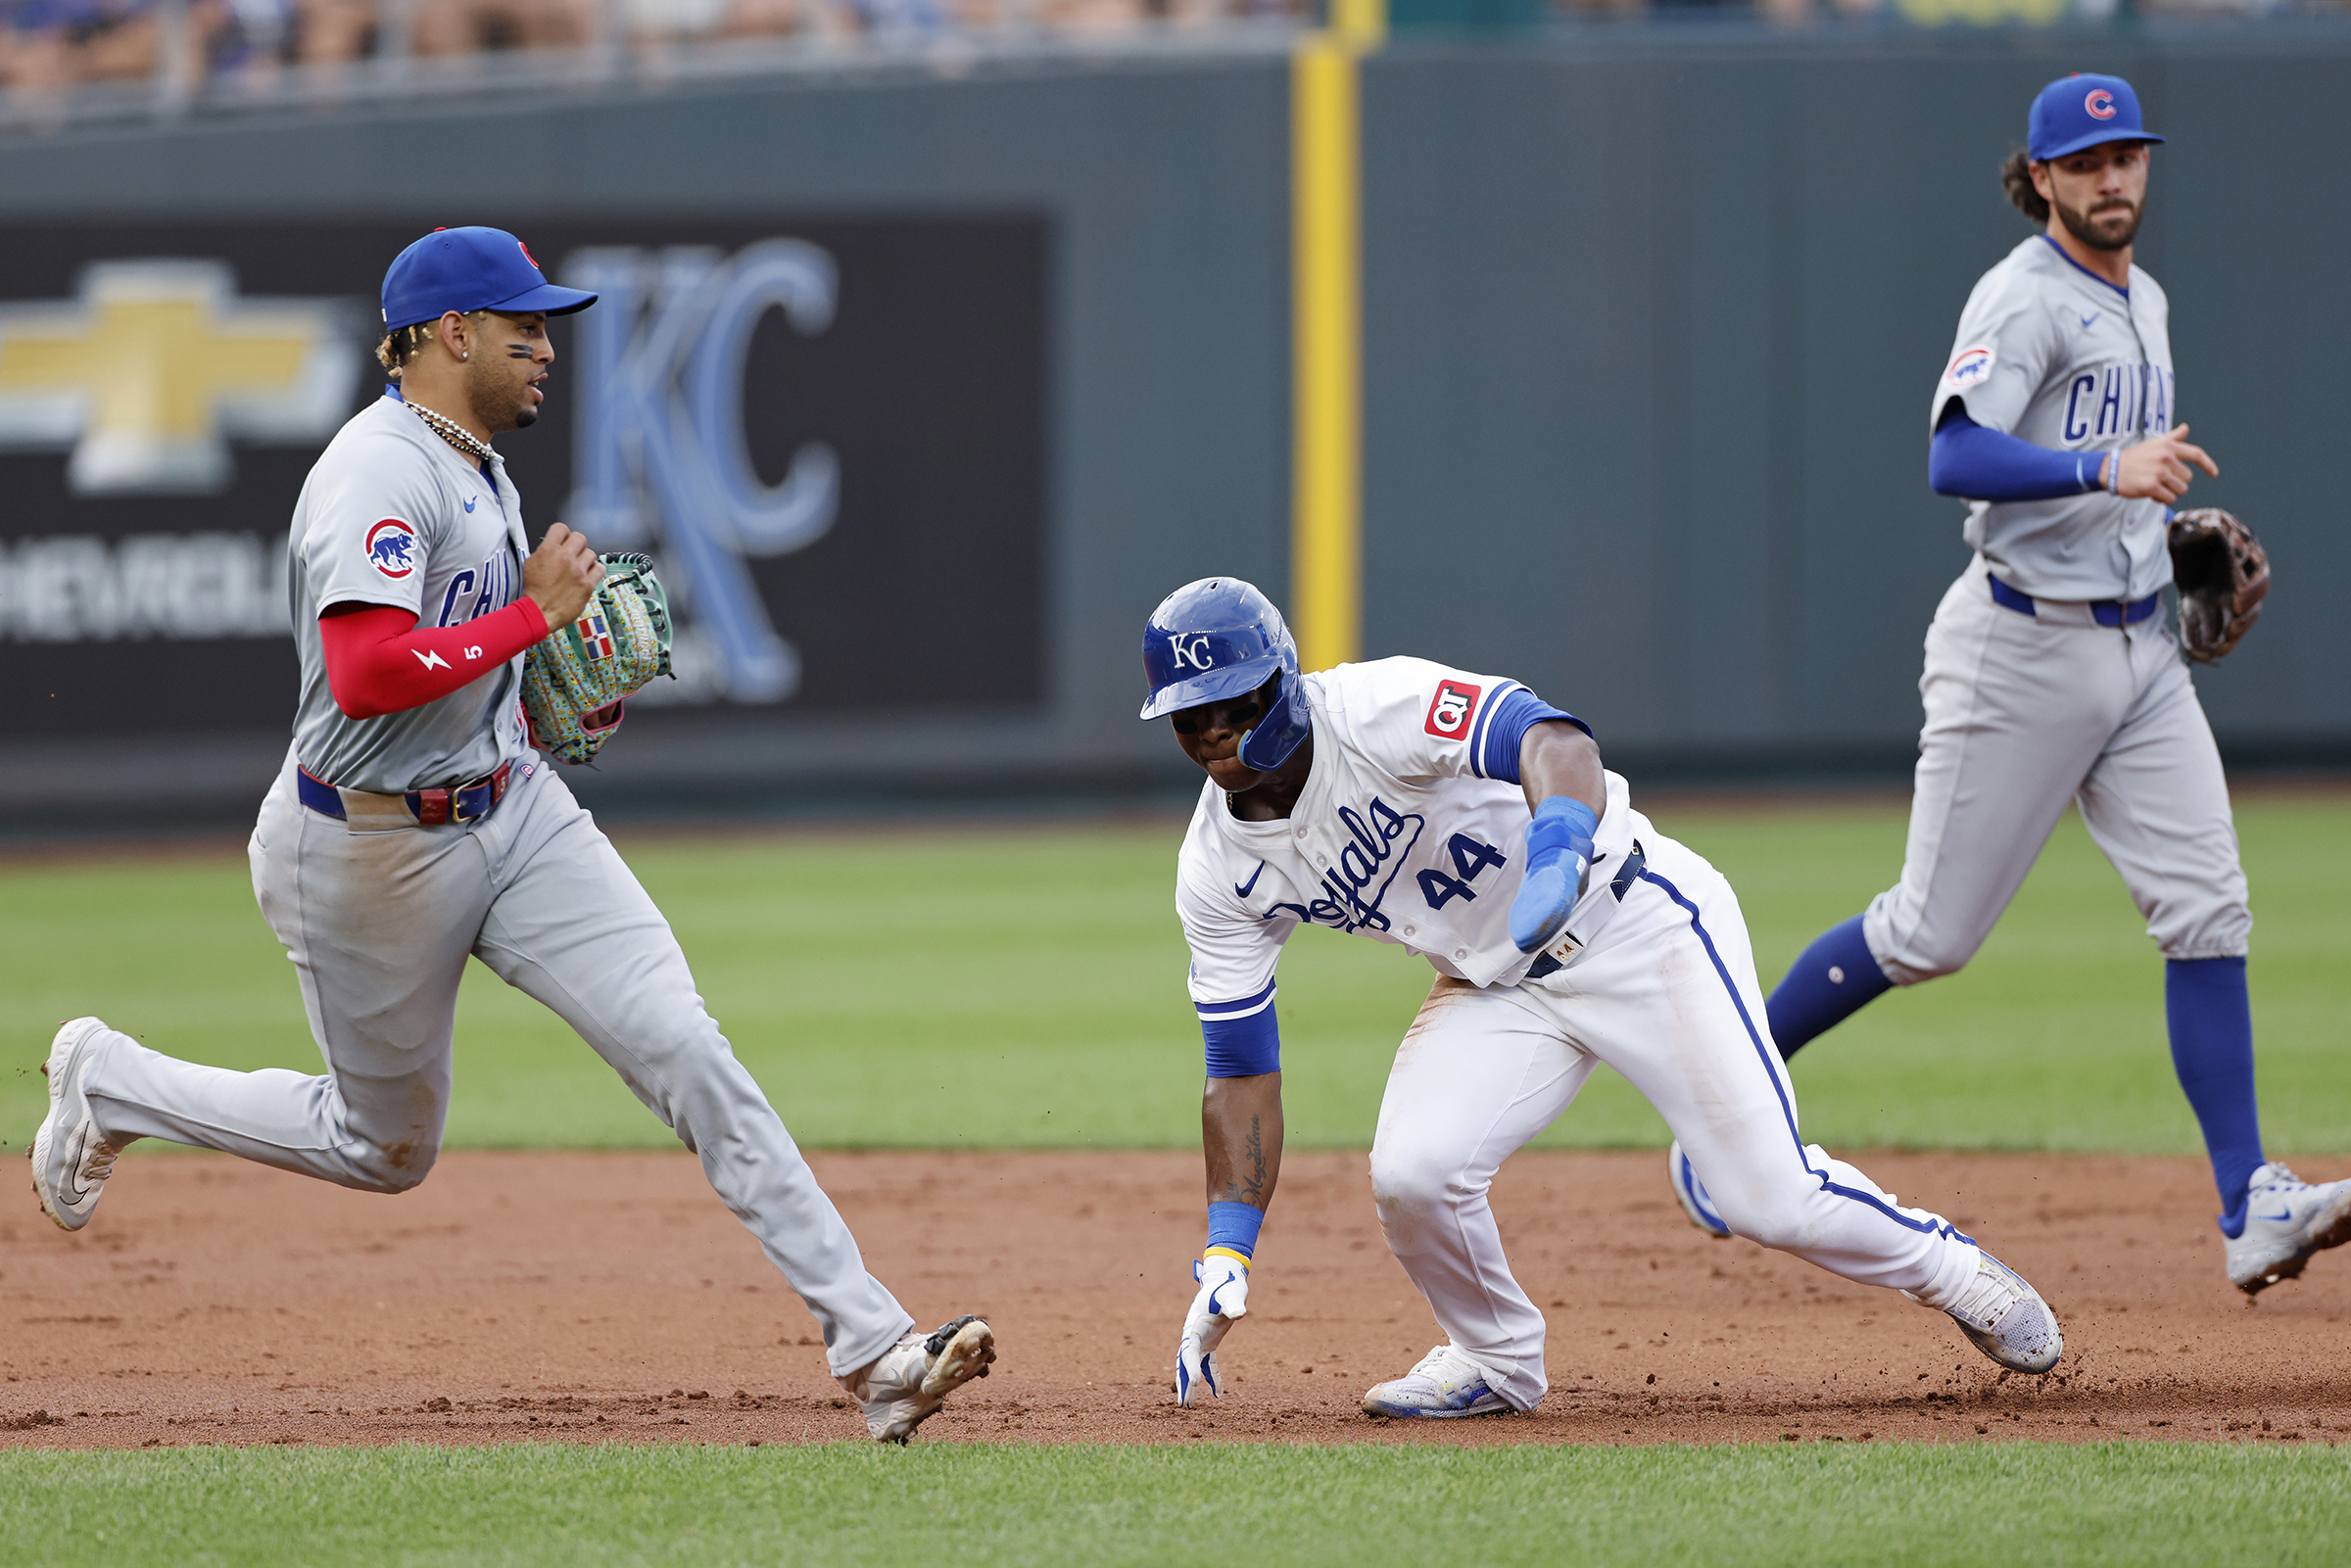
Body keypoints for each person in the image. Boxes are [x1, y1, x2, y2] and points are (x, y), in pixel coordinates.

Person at [25, 225, 992, 1443]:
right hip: (366, 845)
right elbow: (369, 669)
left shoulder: (473, 456)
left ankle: (879, 1354)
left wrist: (537, 672)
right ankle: (112, 1078)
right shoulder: (377, 470)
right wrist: (529, 617)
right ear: (449, 334)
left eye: (548, 324)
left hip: (513, 802)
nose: (547, 346)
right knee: (381, 1147)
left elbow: (463, 658)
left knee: (685, 1046)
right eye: (524, 324)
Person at [1665, 73, 2351, 1300]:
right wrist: (2105, 462)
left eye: (2127, 156)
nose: (2112, 179)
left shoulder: (2145, 297)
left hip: (2139, 651)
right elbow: (1956, 452)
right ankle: (1725, 1114)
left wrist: (2156, 523)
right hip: (2018, 648)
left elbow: (2117, 481)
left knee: (2208, 913)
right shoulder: (2021, 295)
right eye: (2085, 163)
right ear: (2039, 177)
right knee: (1929, 934)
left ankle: (2251, 1202)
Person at [1141, 577, 2061, 1421]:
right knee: (1413, 1175)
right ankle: (1495, 1358)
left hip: (1630, 915)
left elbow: (1553, 739)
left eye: (1235, 702)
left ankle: (1956, 1272)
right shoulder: (1216, 868)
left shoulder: (1375, 709)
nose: (1215, 730)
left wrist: (1556, 846)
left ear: (1286, 681)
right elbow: (1239, 1069)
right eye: (1190, 716)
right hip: (1493, 985)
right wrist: (1228, 1247)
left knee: (1768, 1197)